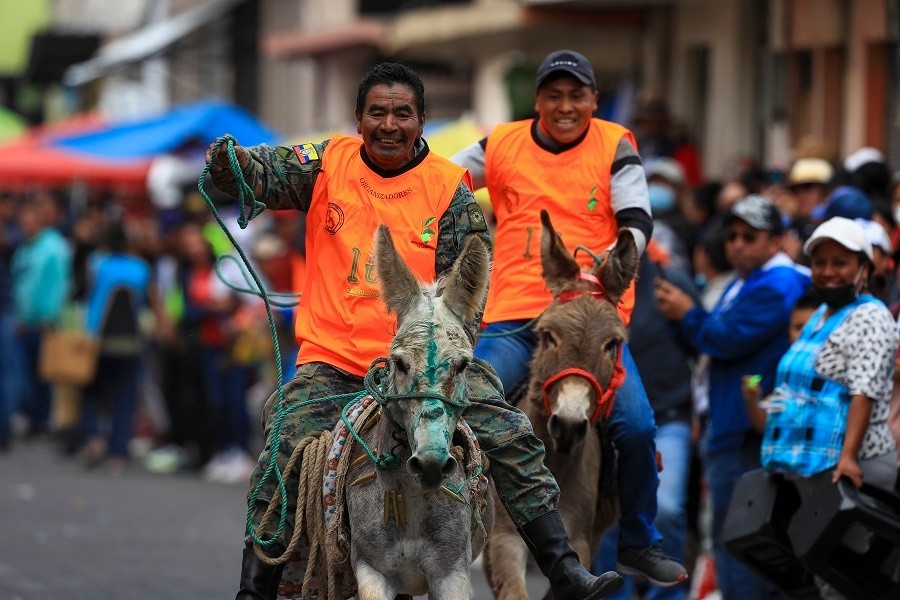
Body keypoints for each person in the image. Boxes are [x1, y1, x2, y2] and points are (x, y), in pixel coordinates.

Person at [207, 62, 623, 600]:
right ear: (358, 118)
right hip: (333, 362)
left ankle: (563, 568)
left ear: (421, 120)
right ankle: (254, 589)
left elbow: (468, 293)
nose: (388, 124)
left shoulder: (450, 189)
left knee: (508, 432)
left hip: (424, 365)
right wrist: (228, 164)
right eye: (376, 112)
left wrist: (440, 355)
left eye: (402, 113)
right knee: (281, 450)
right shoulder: (325, 163)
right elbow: (257, 174)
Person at [451, 49, 688, 587]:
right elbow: (441, 183)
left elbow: (636, 219)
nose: (564, 106)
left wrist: (616, 261)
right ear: (537, 101)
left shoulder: (615, 144)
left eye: (576, 95)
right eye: (553, 96)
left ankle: (639, 541)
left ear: (593, 101)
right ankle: (446, 521)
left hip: (592, 318)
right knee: (465, 396)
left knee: (637, 426)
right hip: (517, 313)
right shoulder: (502, 142)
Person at [655, 194, 811, 600]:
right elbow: (708, 344)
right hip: (729, 424)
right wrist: (688, 320)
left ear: (775, 241)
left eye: (751, 236)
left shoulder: (781, 284)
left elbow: (722, 339)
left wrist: (687, 313)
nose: (738, 244)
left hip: (748, 432)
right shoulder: (745, 281)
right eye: (733, 236)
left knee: (744, 538)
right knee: (736, 535)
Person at [758, 217, 898, 600]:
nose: (828, 272)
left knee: (844, 575)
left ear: (863, 269)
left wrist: (849, 457)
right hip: (814, 465)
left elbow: (863, 390)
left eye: (841, 262)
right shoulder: (822, 314)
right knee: (823, 570)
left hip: (854, 464)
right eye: (820, 263)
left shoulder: (871, 316)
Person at [592, 240, 699, 600]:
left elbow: (702, 351)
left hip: (668, 417)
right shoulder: (591, 287)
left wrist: (699, 413)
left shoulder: (670, 283)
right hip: (606, 425)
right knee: (605, 517)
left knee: (665, 509)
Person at [11, 193, 72, 438]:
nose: (26, 226)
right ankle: (32, 417)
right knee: (27, 372)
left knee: (43, 373)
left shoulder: (54, 246)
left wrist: (49, 316)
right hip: (24, 321)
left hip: (44, 321)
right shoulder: (25, 248)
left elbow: (58, 285)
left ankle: (42, 419)